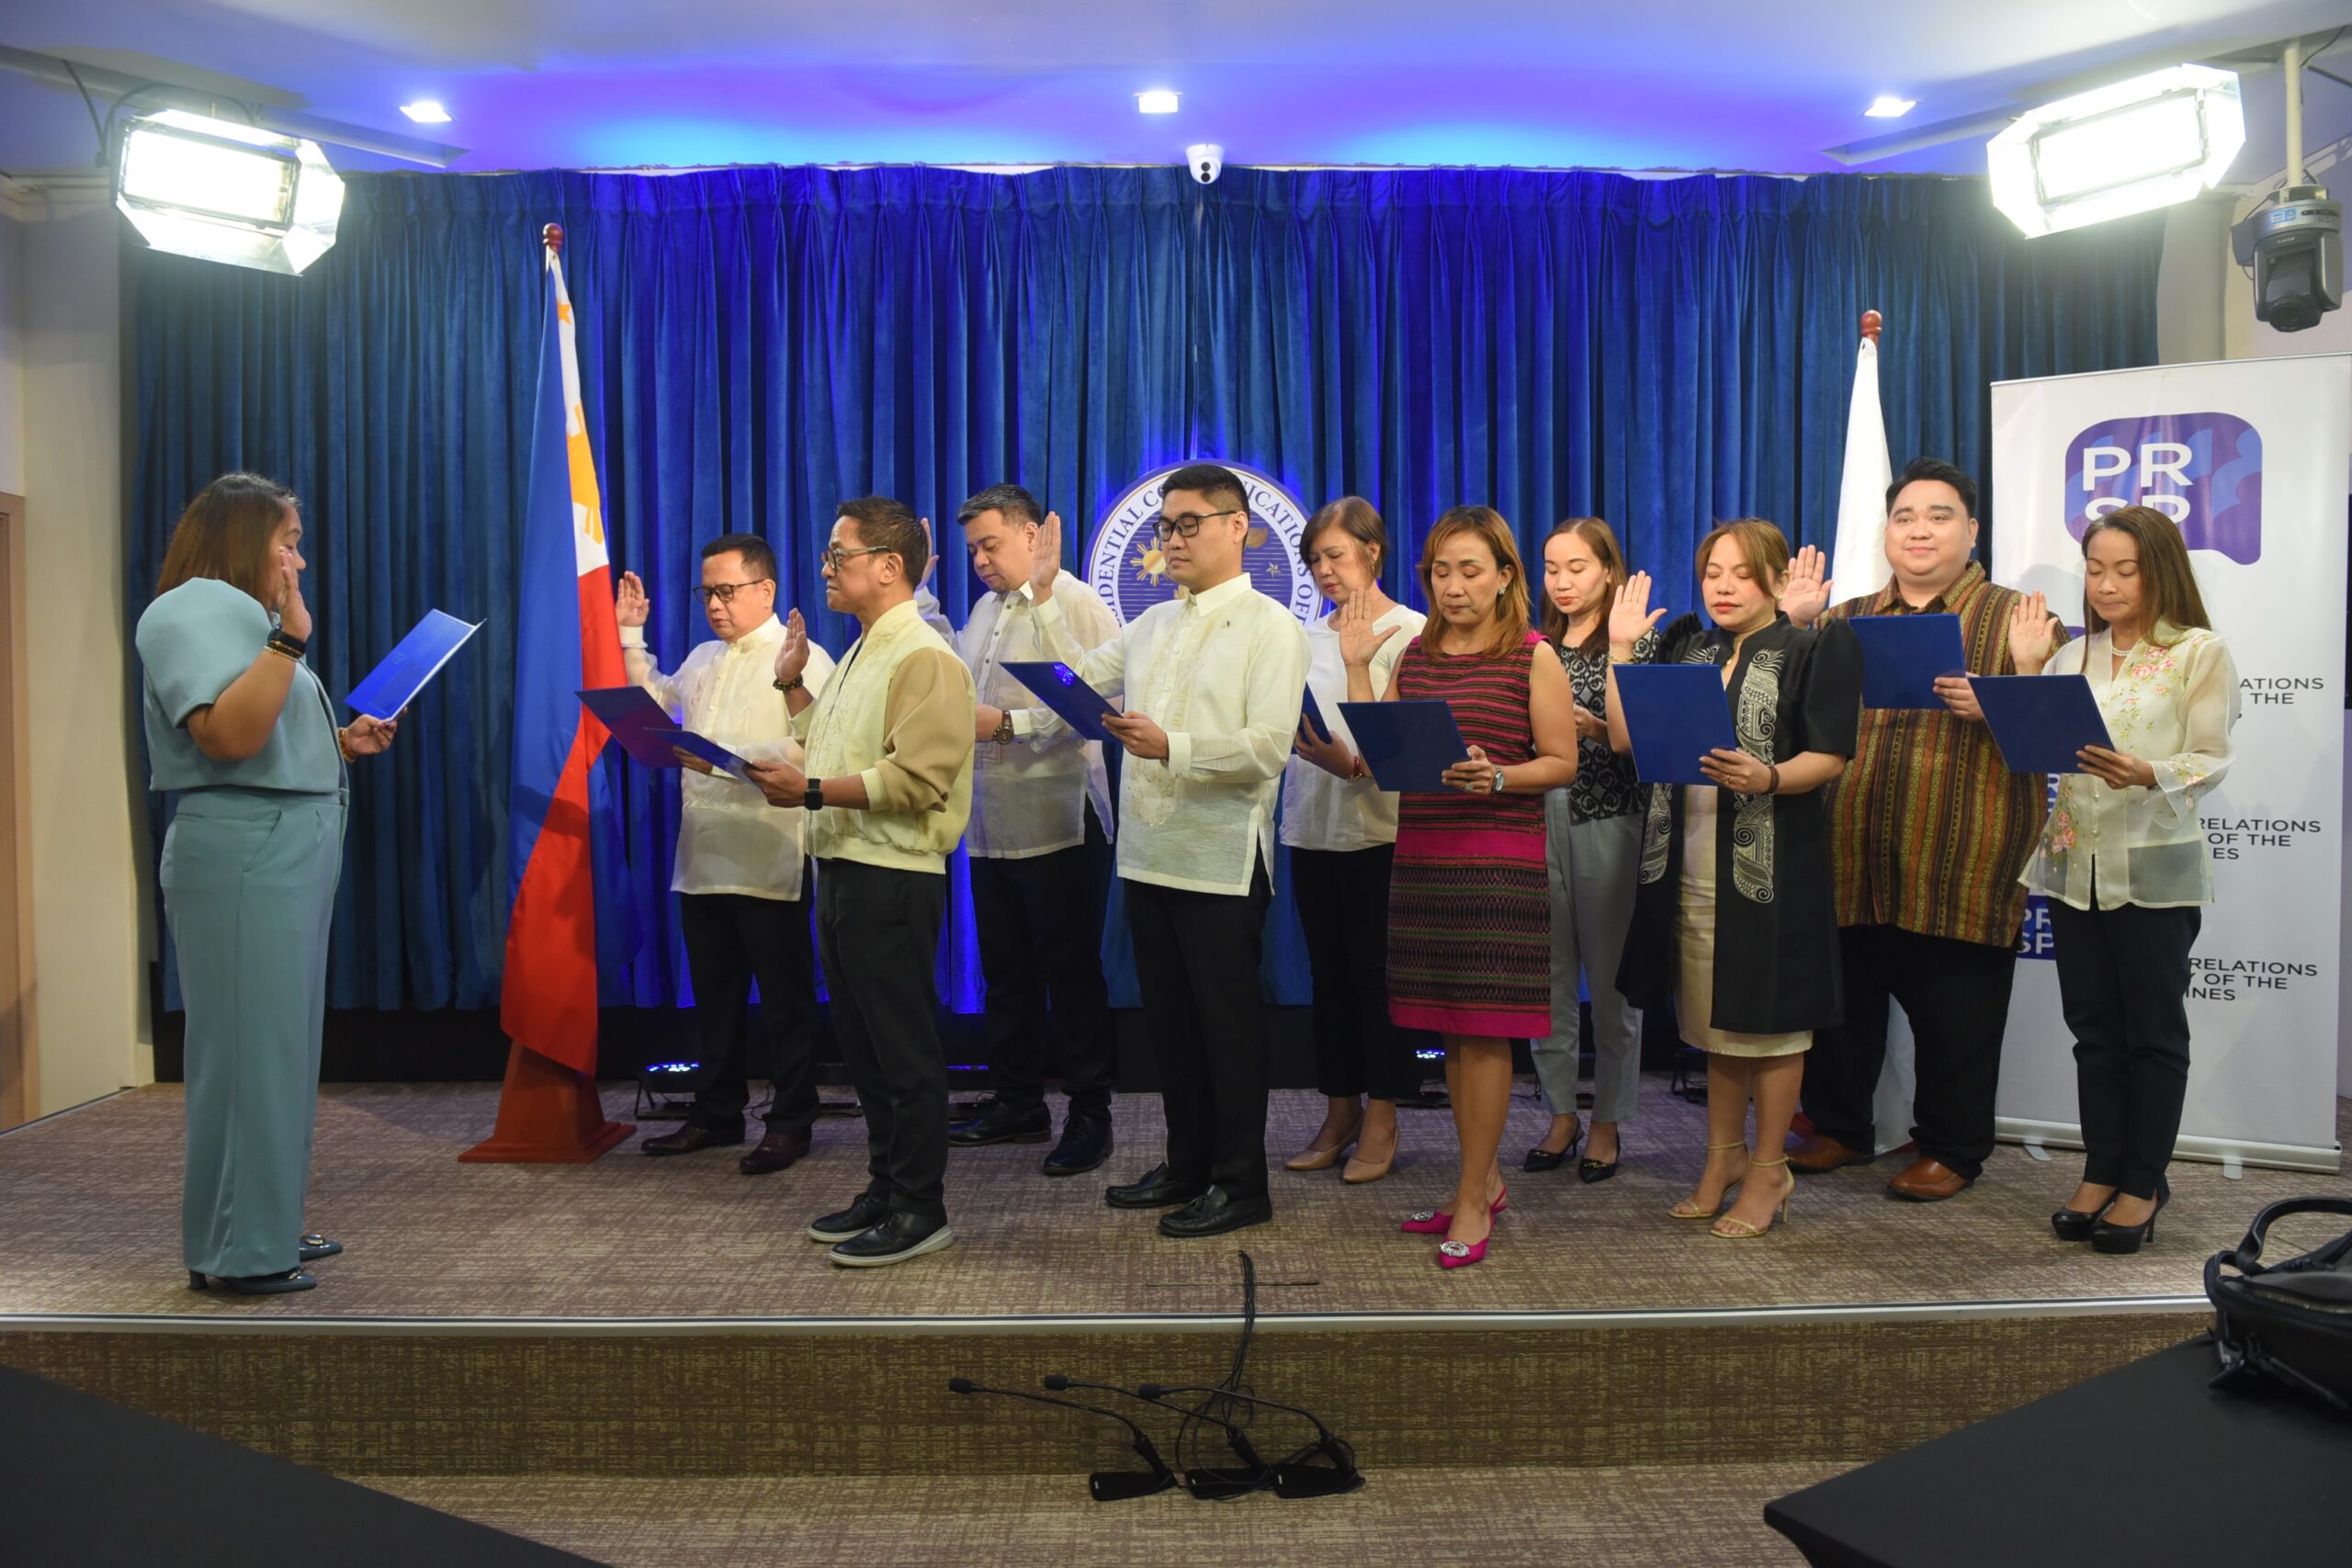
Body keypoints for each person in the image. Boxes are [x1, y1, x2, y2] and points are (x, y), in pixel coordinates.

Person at [1021, 463, 1310, 1239]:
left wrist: (1170, 744)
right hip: (1147, 854)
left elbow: (1268, 750)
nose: (1172, 540)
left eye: (1188, 524)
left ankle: (1241, 1181)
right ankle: (1186, 1165)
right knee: (1172, 1028)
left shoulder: (1271, 625)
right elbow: (1070, 685)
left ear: (1236, 526)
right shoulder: (1150, 624)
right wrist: (1044, 597)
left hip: (1219, 857)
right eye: (1165, 526)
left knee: (1228, 1027)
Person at [135, 473, 400, 1295]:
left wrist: (337, 743)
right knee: (249, 1054)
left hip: (279, 843)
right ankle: (240, 1252)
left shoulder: (239, 615)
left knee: (275, 1051)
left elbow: (266, 730)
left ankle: (259, 1222)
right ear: (242, 538)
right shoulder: (189, 607)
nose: (299, 559)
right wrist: (291, 639)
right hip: (247, 847)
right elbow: (227, 734)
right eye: (286, 542)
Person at [1780, 458, 2060, 1201]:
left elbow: (2058, 741)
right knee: (1846, 1007)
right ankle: (1840, 1125)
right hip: (1852, 844)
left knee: (1956, 1016)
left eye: (1939, 516)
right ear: (1886, 533)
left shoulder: (2019, 618)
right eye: (1904, 516)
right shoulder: (1848, 617)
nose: (1920, 530)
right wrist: (1797, 627)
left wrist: (2005, 697)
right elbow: (1781, 711)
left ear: (1971, 531)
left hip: (1962, 851)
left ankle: (1954, 1148)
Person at [1608, 519, 1860, 1240]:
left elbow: (1833, 753)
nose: (1721, 585)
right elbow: (1627, 738)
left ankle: (1770, 1167)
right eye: (1712, 570)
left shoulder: (1814, 645)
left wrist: (1772, 775)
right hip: (1687, 858)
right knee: (1718, 1024)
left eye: (1740, 573)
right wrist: (1623, 649)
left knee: (1771, 1025)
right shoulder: (1692, 645)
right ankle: (1722, 1158)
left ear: (1777, 579)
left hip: (1770, 866)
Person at [748, 496, 976, 1268]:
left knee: (903, 1051)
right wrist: (792, 688)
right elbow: (835, 746)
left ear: (889, 565)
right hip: (843, 865)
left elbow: (918, 778)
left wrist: (807, 791)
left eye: (838, 554)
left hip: (894, 875)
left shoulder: (927, 656)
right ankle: (884, 1187)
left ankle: (922, 1206)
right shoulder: (860, 652)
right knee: (866, 1049)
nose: (825, 568)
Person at [2011, 505, 2237, 1254]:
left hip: (2154, 868)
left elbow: (2211, 756)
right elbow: (2031, 737)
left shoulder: (2197, 652)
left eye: (2123, 570)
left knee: (2154, 1035)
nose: (2104, 584)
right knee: (2094, 1033)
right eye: (2095, 568)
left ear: (2159, 570)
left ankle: (2144, 1180)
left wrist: (2150, 772)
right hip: (2075, 867)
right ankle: (2101, 1169)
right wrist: (2022, 669)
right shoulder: (2072, 655)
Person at [1375, 507, 1578, 1268]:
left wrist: (1496, 774)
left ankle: (1472, 1196)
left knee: (1485, 1031)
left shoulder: (1534, 655)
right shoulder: (1415, 653)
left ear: (1504, 576)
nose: (1453, 586)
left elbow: (1562, 762)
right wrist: (1356, 678)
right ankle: (1483, 1178)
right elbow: (1381, 750)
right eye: (1440, 571)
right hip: (1424, 853)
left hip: (1497, 860)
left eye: (1470, 570)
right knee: (1451, 1031)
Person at [616, 535, 837, 1174]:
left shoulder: (800, 656)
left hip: (769, 851)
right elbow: (658, 706)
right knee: (712, 994)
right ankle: (716, 1110)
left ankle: (792, 1118)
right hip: (705, 853)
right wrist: (632, 638)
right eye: (705, 592)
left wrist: (720, 761)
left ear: (765, 590)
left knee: (785, 999)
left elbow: (814, 745)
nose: (714, 604)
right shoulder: (706, 655)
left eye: (726, 591)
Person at [940, 483, 1123, 1177]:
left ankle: (1089, 1113)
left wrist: (1012, 725)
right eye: (973, 550)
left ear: (1029, 533)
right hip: (989, 819)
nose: (981, 561)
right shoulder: (984, 608)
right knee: (1006, 971)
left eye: (990, 544)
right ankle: (1018, 1100)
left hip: (1060, 816)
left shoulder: (1074, 600)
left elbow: (1102, 703)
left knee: (1070, 973)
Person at [1281, 498, 1428, 1184]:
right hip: (1312, 826)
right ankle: (1339, 1108)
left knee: (1379, 980)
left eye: (1336, 555)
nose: (1324, 570)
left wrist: (1354, 761)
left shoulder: (1414, 632)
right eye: (1315, 559)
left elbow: (1401, 747)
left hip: (1384, 832)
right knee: (1328, 978)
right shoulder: (1304, 637)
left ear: (1373, 551)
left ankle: (1384, 1112)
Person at [1526, 518, 1650, 1181]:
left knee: (1609, 984)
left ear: (1608, 569)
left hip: (1610, 817)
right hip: (1536, 817)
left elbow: (1647, 741)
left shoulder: (1637, 638)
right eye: (1551, 567)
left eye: (1577, 566)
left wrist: (1597, 727)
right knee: (1545, 979)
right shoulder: (1534, 643)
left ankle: (1607, 1120)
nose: (1563, 580)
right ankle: (1559, 1113)